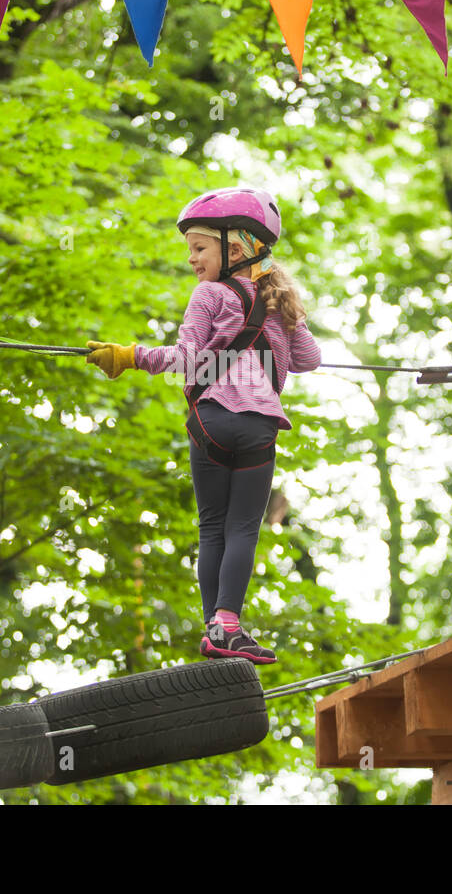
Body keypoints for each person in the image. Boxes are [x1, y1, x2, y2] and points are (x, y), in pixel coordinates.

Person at [85, 187, 320, 664]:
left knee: (212, 525)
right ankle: (227, 622)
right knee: (243, 529)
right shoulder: (277, 302)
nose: (192, 259)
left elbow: (190, 360)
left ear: (235, 248)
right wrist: (286, 312)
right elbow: (308, 360)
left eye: (199, 248)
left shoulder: (209, 294)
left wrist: (132, 357)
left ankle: (213, 626)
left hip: (212, 424)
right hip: (259, 428)